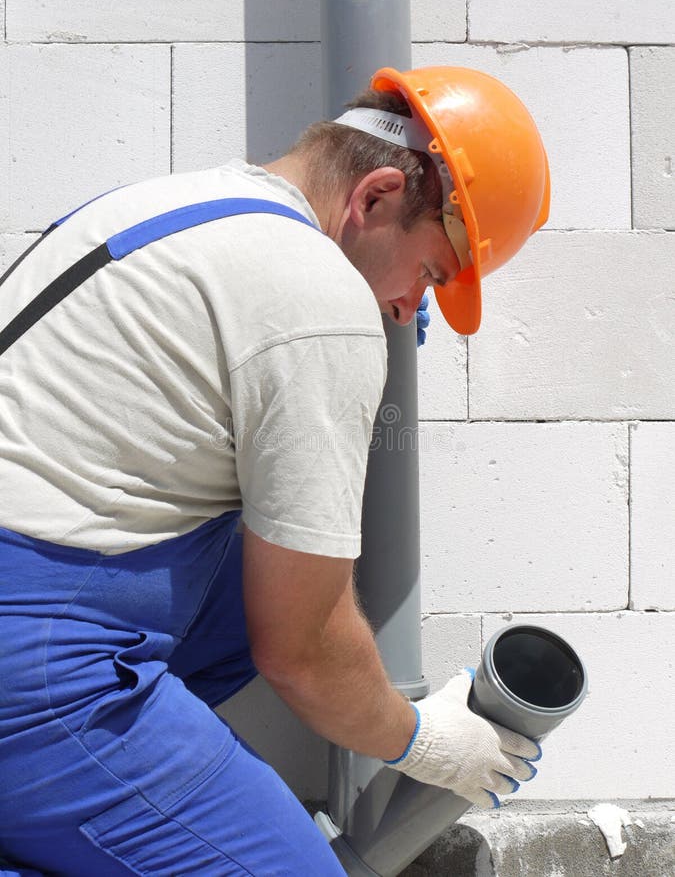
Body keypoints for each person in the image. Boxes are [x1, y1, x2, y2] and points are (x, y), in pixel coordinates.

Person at [0, 65, 550, 875]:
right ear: (377, 196)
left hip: (45, 585)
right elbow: (304, 650)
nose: (410, 308)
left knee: (252, 560)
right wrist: (421, 741)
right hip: (34, 660)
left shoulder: (174, 203)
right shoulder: (311, 292)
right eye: (431, 272)